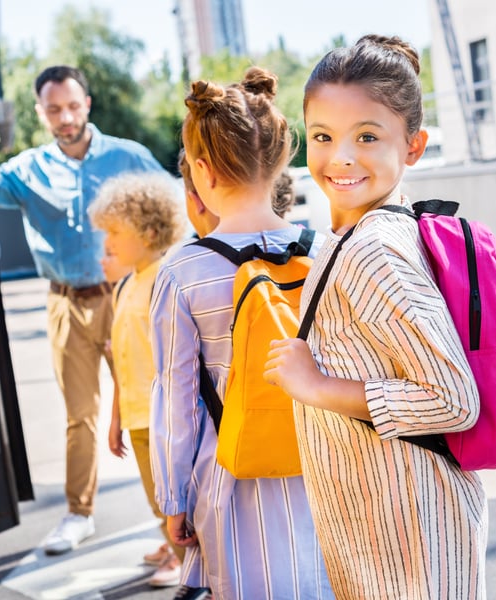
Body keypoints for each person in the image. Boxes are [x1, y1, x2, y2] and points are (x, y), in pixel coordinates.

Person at [264, 35, 488, 598]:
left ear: (413, 147)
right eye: (322, 137)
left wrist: (315, 385)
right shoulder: (354, 234)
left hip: (409, 537)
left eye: (366, 136)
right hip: (383, 528)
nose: (340, 157)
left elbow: (453, 399)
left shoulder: (374, 249)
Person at [149, 67, 334, 599]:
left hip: (232, 479)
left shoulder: (182, 272)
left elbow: (175, 400)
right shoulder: (322, 250)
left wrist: (174, 497)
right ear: (279, 163)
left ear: (201, 172)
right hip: (324, 469)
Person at [0, 65, 168, 555]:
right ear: (40, 112)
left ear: (88, 104)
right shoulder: (26, 170)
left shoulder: (130, 156)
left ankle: (172, 527)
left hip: (127, 299)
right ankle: (79, 514)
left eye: (73, 106)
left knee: (149, 412)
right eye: (55, 109)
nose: (66, 117)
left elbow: (178, 207)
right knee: (79, 416)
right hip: (65, 303)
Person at [88, 172, 188, 588]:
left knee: (171, 498)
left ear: (149, 232)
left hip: (163, 419)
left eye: (114, 231)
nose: (106, 242)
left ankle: (189, 566)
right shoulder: (125, 284)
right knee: (156, 496)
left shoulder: (165, 279)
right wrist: (115, 419)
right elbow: (120, 360)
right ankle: (176, 548)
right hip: (138, 416)